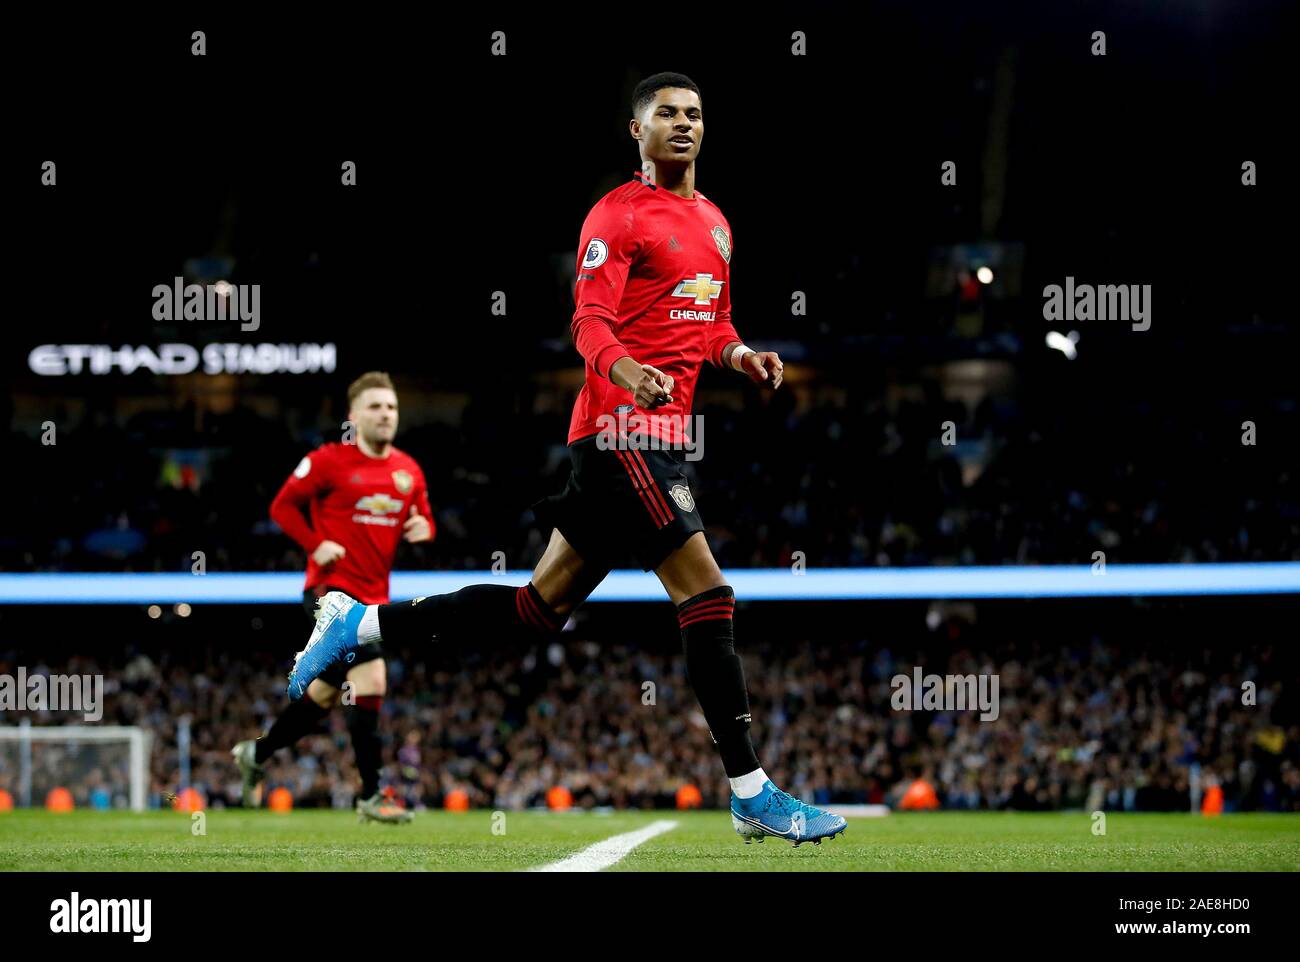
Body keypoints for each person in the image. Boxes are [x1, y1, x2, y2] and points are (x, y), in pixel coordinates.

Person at [286, 74, 846, 845]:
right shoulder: (616, 215)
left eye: (695, 115)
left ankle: (360, 622)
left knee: (536, 608)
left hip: (660, 434)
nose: (684, 125)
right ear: (636, 130)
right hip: (623, 433)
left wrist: (741, 354)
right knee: (708, 594)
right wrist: (627, 375)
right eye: (667, 115)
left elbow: (707, 321)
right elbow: (588, 322)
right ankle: (751, 789)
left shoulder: (715, 223)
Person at [233, 371, 433, 824]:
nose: (386, 415)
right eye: (376, 407)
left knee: (324, 697)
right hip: (330, 591)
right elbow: (281, 506)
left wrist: (425, 528)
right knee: (373, 679)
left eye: (392, 407)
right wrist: (315, 544)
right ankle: (371, 794)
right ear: (354, 415)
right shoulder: (327, 461)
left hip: (374, 598)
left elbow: (423, 518)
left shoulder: (408, 471)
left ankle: (257, 751)